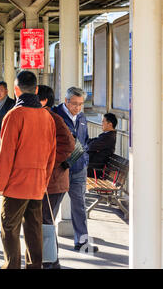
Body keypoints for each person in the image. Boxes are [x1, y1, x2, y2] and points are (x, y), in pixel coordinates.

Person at [0, 71, 56, 269]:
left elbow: (6, 154)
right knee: (34, 227)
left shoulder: (14, 115)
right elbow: (51, 154)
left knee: (9, 226)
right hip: (38, 182)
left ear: (16, 90)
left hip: (16, 183)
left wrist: (0, 183)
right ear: (36, 90)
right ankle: (34, 266)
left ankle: (11, 266)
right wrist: (44, 180)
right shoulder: (47, 117)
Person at [52, 87, 99, 253]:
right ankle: (49, 243)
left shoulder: (82, 117)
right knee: (53, 207)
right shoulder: (54, 115)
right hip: (60, 170)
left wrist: (84, 159)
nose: (78, 108)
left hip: (78, 169)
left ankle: (82, 243)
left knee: (80, 205)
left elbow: (84, 141)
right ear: (66, 101)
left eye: (81, 104)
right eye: (74, 104)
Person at [37, 85, 75, 269]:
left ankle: (51, 262)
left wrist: (49, 161)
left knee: (46, 220)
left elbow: (69, 145)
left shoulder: (52, 118)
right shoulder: (47, 117)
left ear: (43, 100)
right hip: (52, 180)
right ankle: (50, 260)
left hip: (53, 181)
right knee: (45, 220)